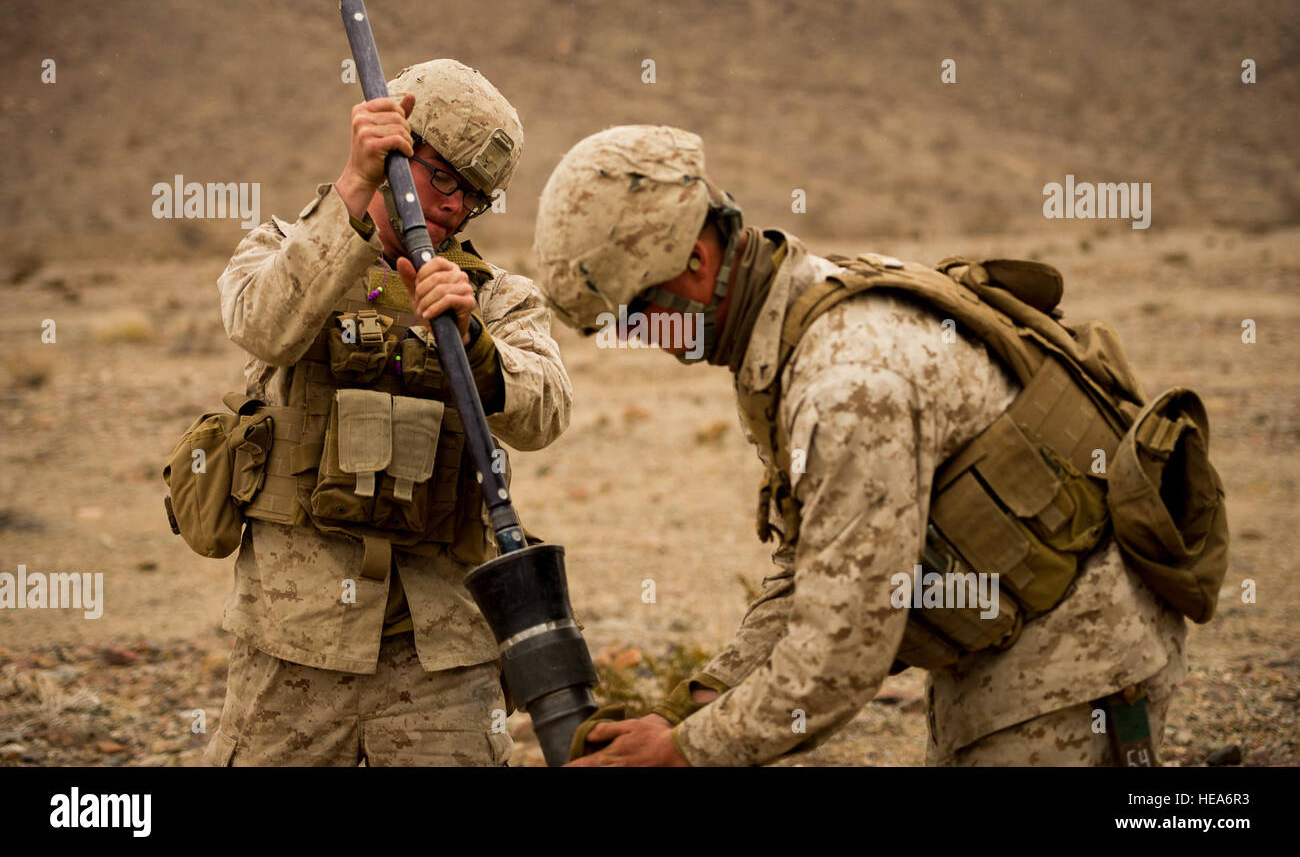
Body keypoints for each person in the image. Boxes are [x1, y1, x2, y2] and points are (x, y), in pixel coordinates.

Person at [533, 124, 1196, 768]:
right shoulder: (793, 327)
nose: (644, 340)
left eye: (637, 316)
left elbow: (842, 648)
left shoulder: (844, 382)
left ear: (696, 263)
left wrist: (687, 749)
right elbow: (815, 569)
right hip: (1017, 642)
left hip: (1079, 667)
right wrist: (697, 704)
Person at [205, 59, 572, 766]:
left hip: (444, 648)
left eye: (475, 195)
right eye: (441, 177)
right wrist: (353, 186)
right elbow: (264, 325)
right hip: (297, 638)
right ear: (396, 149)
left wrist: (474, 344)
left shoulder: (494, 296)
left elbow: (546, 411)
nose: (454, 206)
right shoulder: (287, 249)